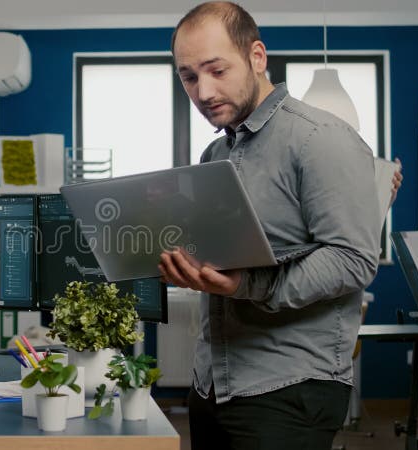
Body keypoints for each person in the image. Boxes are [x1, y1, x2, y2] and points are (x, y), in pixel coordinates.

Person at [160, 3, 401, 449]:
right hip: (212, 382)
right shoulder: (215, 156)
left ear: (256, 57)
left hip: (289, 388)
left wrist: (249, 284)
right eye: (189, 77)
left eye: (216, 70)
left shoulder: (320, 138)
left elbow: (352, 260)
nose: (203, 91)